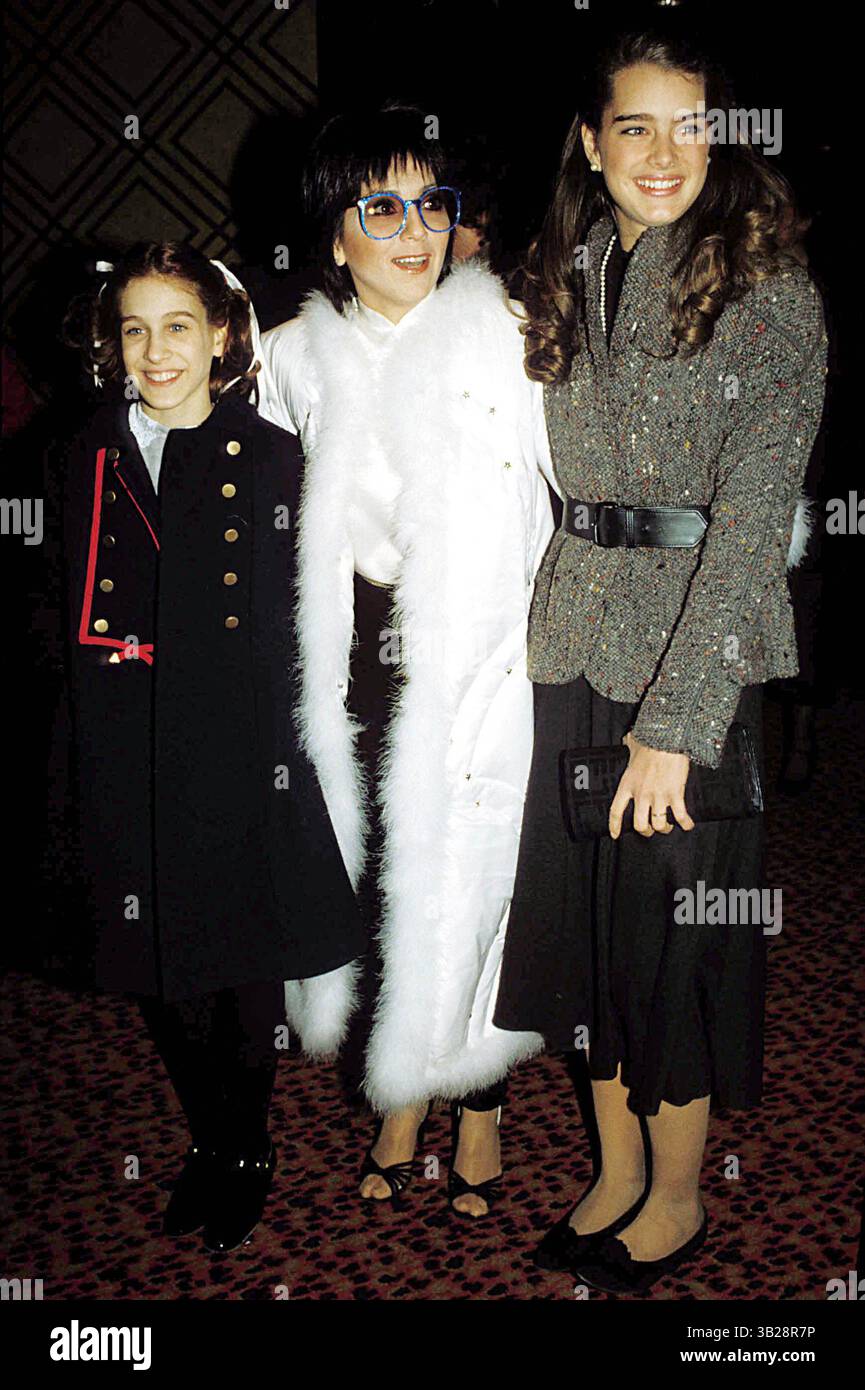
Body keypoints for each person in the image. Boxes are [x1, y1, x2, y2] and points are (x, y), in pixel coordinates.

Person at [493, 28, 827, 1292]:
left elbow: (751, 533)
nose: (662, 153)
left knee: (670, 940)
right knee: (590, 936)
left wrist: (678, 720)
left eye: (691, 125)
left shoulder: (769, 292)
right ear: (590, 141)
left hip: (693, 652)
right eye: (634, 125)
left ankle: (677, 1195)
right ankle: (615, 1169)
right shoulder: (565, 271)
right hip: (572, 637)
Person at [257, 104, 554, 1218]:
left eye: (432, 204)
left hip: (490, 661)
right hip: (351, 666)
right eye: (380, 207)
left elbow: (582, 487)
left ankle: (474, 1102)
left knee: (486, 886)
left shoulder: (512, 337)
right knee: (378, 874)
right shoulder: (289, 360)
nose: (414, 229)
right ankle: (396, 1100)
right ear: (335, 235)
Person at [50, 242, 365, 1251]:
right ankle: (209, 1138)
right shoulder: (87, 451)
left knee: (238, 964)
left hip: (238, 748)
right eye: (134, 329)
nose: (155, 350)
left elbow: (293, 629)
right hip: (120, 742)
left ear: (223, 335)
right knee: (156, 965)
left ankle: (249, 1144)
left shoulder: (268, 456)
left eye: (177, 325)